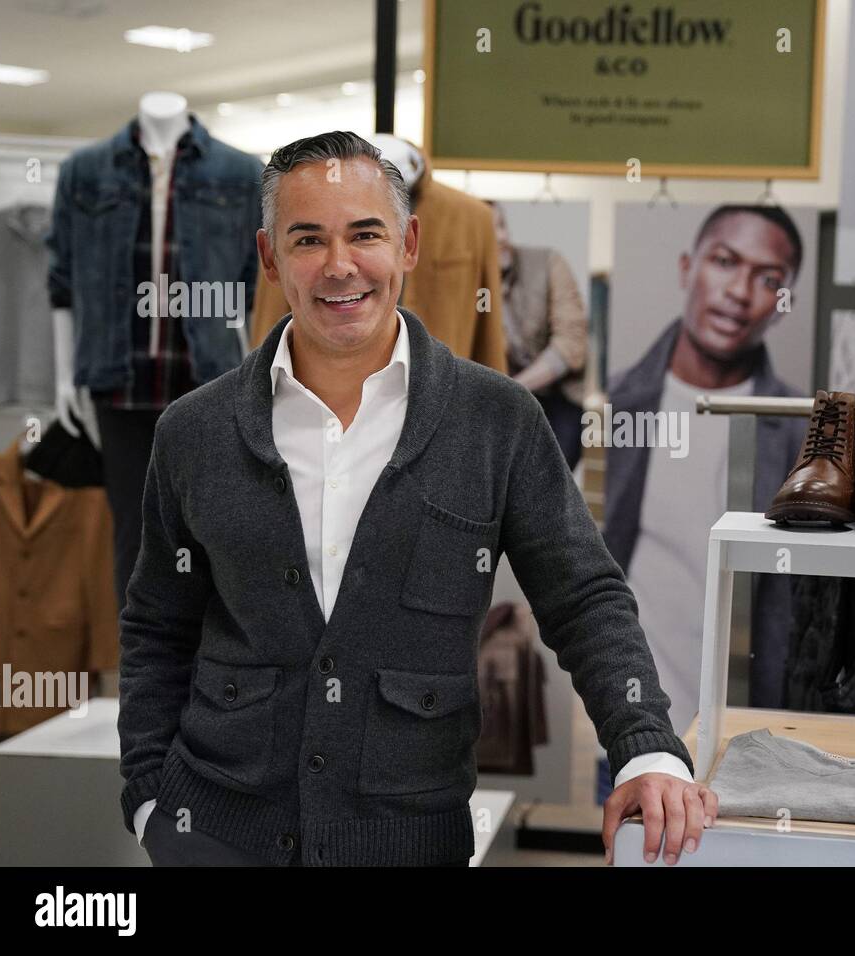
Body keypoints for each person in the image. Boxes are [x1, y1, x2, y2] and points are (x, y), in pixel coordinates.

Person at [118, 131, 715, 868]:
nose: (340, 266)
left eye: (365, 234)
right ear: (270, 259)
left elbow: (584, 597)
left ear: (408, 243)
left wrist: (645, 748)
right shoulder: (195, 431)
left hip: (409, 841)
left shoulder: (496, 421)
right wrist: (147, 793)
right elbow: (156, 625)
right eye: (308, 239)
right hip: (211, 832)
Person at [604, 205, 808, 735]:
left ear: (783, 302)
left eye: (768, 279)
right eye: (724, 261)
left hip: (749, 736)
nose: (740, 291)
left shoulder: (801, 431)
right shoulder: (618, 405)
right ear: (686, 268)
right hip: (632, 735)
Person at [488, 200, 589, 469]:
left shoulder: (548, 262)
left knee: (550, 477)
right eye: (490, 230)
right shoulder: (466, 281)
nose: (502, 237)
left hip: (556, 398)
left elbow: (571, 344)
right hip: (494, 401)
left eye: (502, 226)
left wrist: (517, 387)